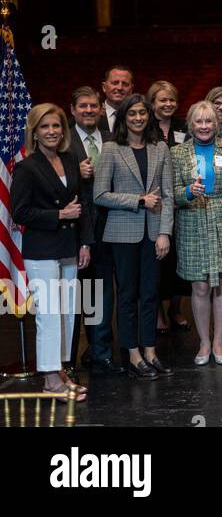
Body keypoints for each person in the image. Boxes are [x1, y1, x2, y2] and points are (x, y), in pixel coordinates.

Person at [12, 104, 92, 402]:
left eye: (56, 126)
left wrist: (85, 242)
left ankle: (60, 371)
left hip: (69, 248)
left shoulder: (70, 159)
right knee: (49, 315)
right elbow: (20, 212)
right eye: (44, 127)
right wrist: (59, 215)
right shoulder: (26, 167)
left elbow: (82, 203)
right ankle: (49, 379)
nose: (52, 132)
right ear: (34, 132)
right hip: (42, 251)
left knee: (67, 314)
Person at [93, 93, 173, 380]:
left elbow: (167, 194)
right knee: (127, 296)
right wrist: (138, 200)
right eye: (132, 114)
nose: (138, 118)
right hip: (122, 234)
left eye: (142, 113)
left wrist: (164, 232)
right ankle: (132, 354)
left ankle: (150, 351)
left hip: (154, 233)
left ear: (148, 115)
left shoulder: (160, 148)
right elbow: (100, 195)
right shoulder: (112, 149)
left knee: (150, 295)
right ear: (123, 118)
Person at [171, 100, 222, 366]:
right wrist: (186, 193)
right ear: (190, 125)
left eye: (209, 121)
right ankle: (204, 342)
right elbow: (171, 193)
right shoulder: (178, 153)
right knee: (200, 284)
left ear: (216, 124)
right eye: (199, 121)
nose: (204, 126)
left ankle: (219, 341)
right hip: (192, 219)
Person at [66, 86, 119, 374]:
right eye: (82, 106)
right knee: (73, 295)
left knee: (101, 292)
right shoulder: (62, 140)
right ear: (73, 110)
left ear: (101, 109)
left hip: (111, 227)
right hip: (74, 231)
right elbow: (50, 180)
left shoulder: (111, 139)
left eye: (93, 106)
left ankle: (100, 353)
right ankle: (67, 360)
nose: (88, 110)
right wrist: (76, 171)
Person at [148, 80, 189, 336]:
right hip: (154, 204)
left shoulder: (183, 126)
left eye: (171, 100)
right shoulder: (144, 126)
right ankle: (158, 311)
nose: (168, 104)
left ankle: (175, 307)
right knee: (157, 261)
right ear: (152, 103)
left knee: (178, 261)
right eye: (162, 100)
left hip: (181, 204)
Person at [97, 65, 133, 135]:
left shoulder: (139, 116)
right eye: (115, 83)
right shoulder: (93, 114)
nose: (120, 88)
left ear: (131, 89)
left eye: (125, 84)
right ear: (104, 87)